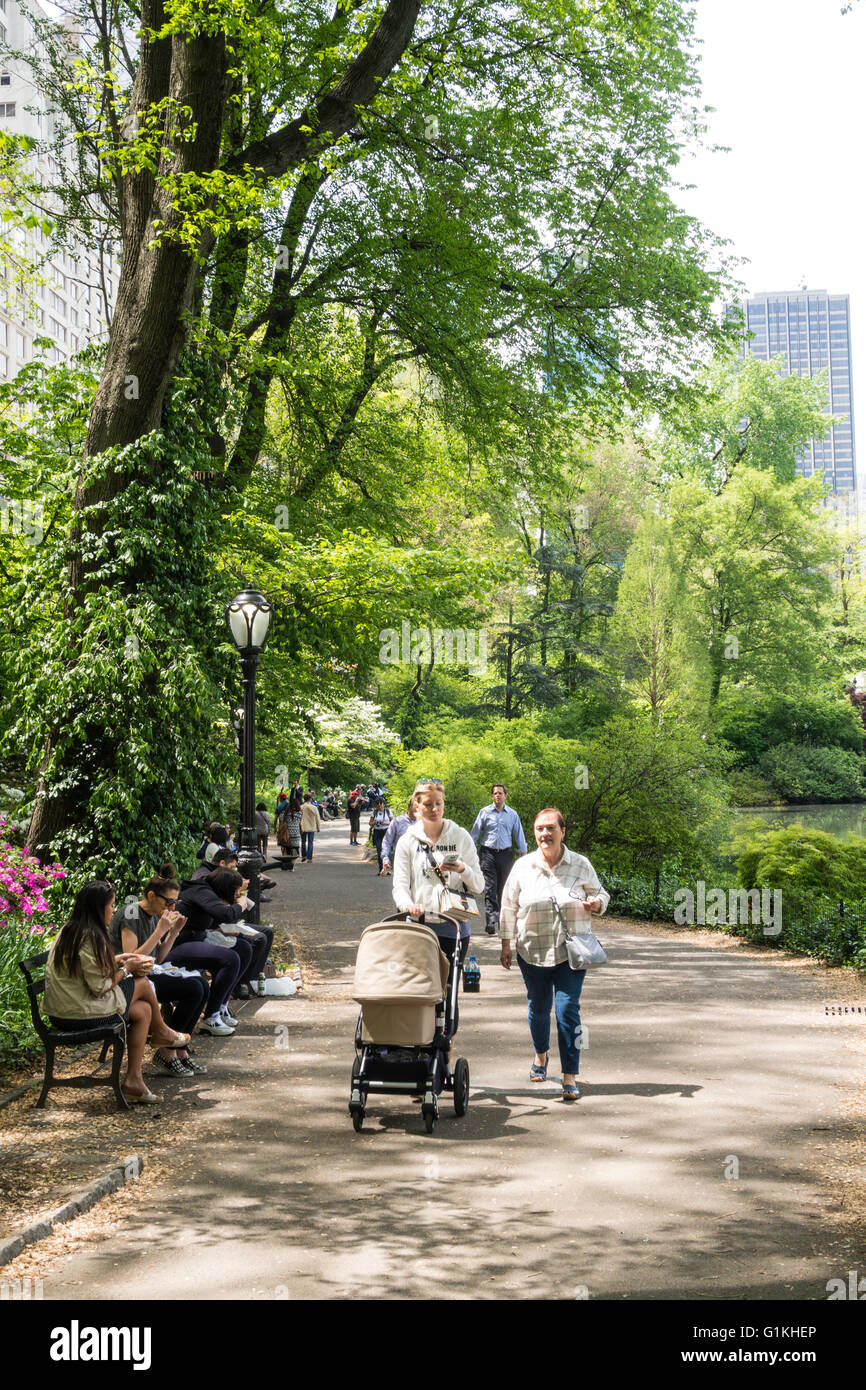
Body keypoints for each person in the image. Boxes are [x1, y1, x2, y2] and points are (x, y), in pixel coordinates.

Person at [44, 880, 191, 1104]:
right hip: (77, 1015)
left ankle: (134, 1079)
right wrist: (127, 968)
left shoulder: (72, 929)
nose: (113, 910)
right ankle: (162, 1032)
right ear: (98, 907)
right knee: (140, 981)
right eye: (111, 905)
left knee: (142, 1010)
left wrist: (116, 959)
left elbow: (85, 970)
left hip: (67, 1008)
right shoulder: (90, 936)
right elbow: (100, 986)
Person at [499, 807, 609, 1102]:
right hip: (531, 951)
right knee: (538, 1008)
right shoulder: (523, 866)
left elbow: (602, 895)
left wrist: (596, 903)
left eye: (550, 828)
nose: (544, 834)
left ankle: (570, 1076)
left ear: (563, 831)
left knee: (567, 1011)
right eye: (539, 829)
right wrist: (506, 943)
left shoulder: (580, 864)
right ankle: (540, 1055)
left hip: (570, 952)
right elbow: (509, 905)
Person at [392, 778, 484, 1042]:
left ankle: (445, 1052)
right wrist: (408, 905)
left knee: (447, 991)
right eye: (428, 804)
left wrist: (463, 869)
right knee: (417, 989)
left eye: (439, 804)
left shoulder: (459, 836)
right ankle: (416, 1044)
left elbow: (479, 885)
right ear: (416, 807)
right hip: (418, 927)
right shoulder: (407, 841)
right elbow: (399, 885)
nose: (434, 809)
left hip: (453, 927)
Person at [108, 867, 208, 1076]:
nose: (171, 907)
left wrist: (173, 933)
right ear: (151, 896)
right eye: (168, 902)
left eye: (175, 903)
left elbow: (158, 957)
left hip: (149, 973)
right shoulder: (131, 913)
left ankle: (180, 1051)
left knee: (202, 985)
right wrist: (160, 930)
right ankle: (166, 1052)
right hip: (131, 979)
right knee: (192, 989)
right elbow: (132, 958)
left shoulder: (156, 914)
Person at [170, 870, 253, 1034]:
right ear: (226, 888)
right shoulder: (201, 891)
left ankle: (222, 1006)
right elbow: (226, 914)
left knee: (243, 949)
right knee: (230, 958)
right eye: (236, 890)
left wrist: (221, 930)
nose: (238, 894)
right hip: (178, 944)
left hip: (197, 938)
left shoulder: (208, 893)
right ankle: (210, 1018)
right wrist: (242, 903)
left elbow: (209, 918)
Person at [470, 784, 528, 936]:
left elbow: (518, 834)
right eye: (495, 793)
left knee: (504, 889)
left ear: (505, 796)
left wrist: (524, 853)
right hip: (487, 854)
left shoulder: (512, 815)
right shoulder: (484, 812)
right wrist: (469, 851)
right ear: (492, 796)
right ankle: (490, 920)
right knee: (490, 887)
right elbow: (475, 833)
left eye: (500, 793)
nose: (498, 795)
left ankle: (503, 920)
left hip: (505, 855)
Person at [380, 795, 418, 876]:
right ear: (409, 806)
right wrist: (385, 858)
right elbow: (387, 841)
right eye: (415, 806)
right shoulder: (397, 821)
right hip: (401, 864)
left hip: (420, 866)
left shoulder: (425, 823)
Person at [369, 798, 394, 875]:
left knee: (387, 851)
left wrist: (385, 823)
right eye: (377, 803)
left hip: (386, 832)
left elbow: (393, 822)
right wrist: (374, 822)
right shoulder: (374, 812)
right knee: (379, 851)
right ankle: (381, 869)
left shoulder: (388, 811)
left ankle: (388, 870)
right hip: (377, 833)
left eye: (381, 803)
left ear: (384, 803)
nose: (379, 805)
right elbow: (370, 823)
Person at [299, 792, 321, 862]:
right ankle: (309, 858)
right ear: (310, 799)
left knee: (303, 842)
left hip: (303, 826)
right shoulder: (314, 807)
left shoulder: (301, 807)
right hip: (311, 826)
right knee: (310, 842)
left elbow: (298, 817)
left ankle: (303, 856)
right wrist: (318, 827)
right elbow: (317, 818)